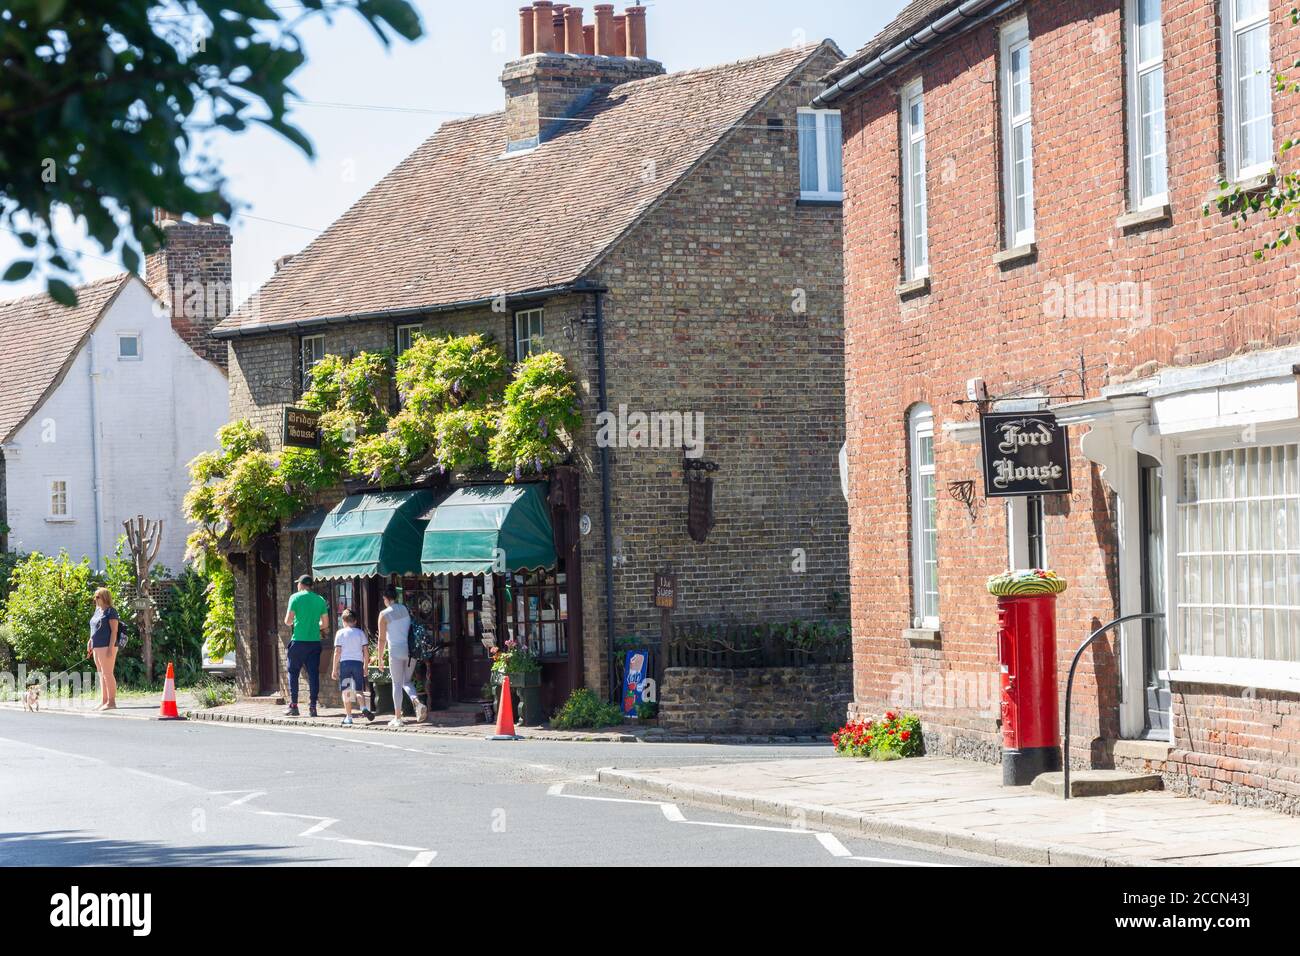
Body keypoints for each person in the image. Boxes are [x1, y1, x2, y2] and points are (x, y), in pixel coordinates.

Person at [376, 585, 427, 727]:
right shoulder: (404, 609)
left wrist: (380, 658)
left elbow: (381, 639)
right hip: (410, 651)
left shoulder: (384, 614)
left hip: (396, 651)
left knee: (396, 684)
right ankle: (417, 702)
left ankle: (398, 718)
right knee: (406, 681)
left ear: (386, 599)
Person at [284, 575, 329, 717]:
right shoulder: (320, 600)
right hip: (314, 642)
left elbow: (288, 621)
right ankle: (313, 707)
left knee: (293, 673)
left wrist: (299, 621)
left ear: (302, 585)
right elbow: (325, 624)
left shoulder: (295, 598)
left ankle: (294, 706)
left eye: (298, 584)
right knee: (313, 674)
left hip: (298, 641)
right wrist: (315, 625)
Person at [331, 608, 375, 726]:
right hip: (357, 664)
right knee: (359, 689)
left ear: (343, 621)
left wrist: (334, 669)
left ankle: (349, 717)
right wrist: (365, 666)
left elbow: (337, 652)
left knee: (347, 690)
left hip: (345, 664)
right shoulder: (360, 633)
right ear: (355, 621)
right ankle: (363, 707)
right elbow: (365, 651)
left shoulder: (340, 633)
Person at [87, 588, 120, 711]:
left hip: (107, 646)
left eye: (97, 597)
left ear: (104, 598)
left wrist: (111, 648)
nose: (95, 599)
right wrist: (90, 641)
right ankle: (104, 700)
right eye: (95, 596)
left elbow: (114, 631)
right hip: (97, 646)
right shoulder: (98, 611)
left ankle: (111, 702)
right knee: (101, 674)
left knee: (107, 673)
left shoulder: (111, 612)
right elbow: (94, 628)